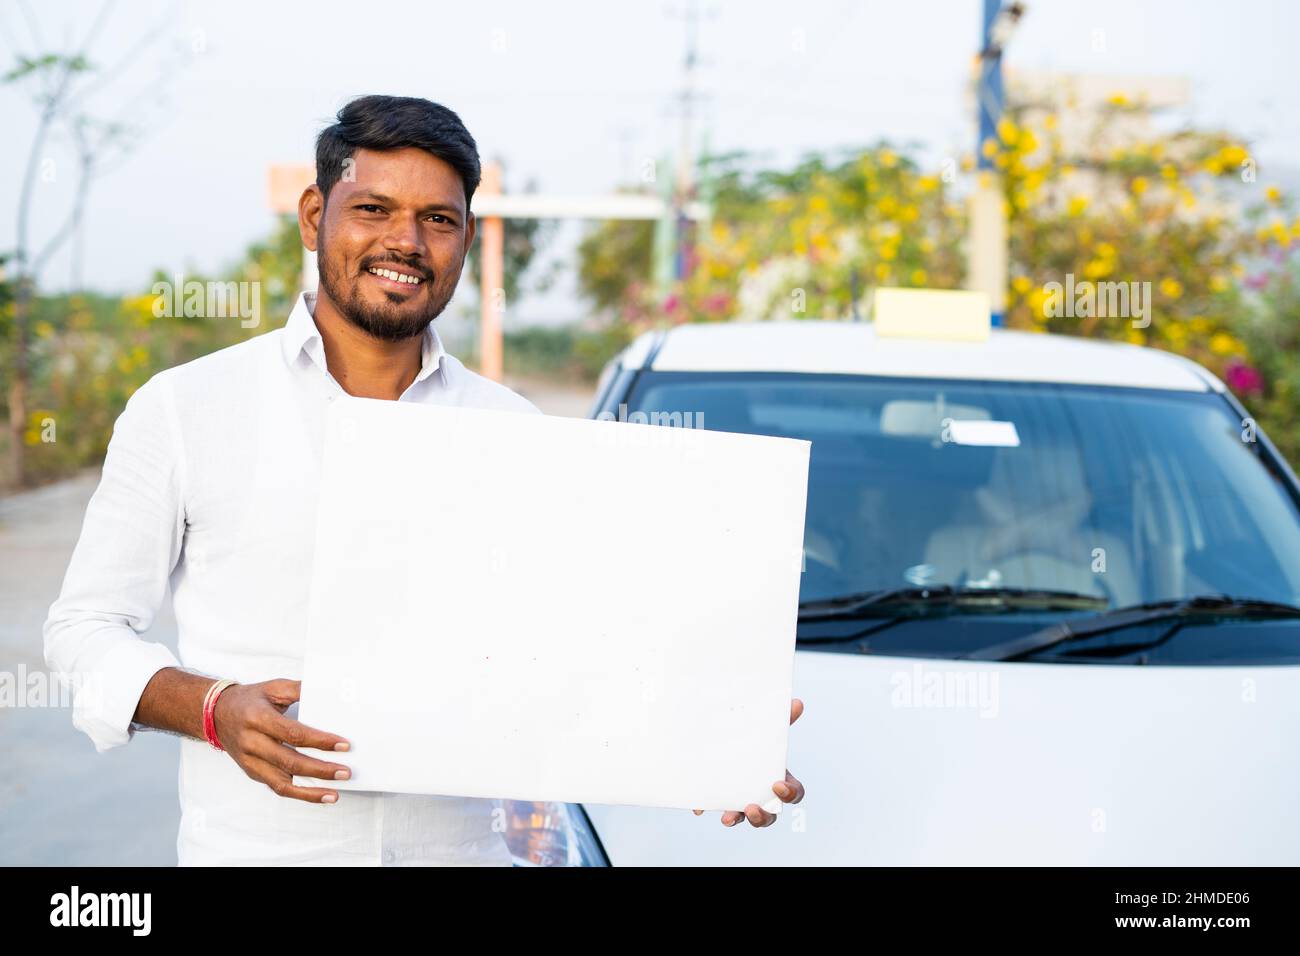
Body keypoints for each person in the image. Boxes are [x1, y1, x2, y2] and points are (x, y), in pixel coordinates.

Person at [43, 94, 805, 865]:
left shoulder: (514, 431)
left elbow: (575, 651)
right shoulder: (186, 409)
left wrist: (705, 743)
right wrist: (214, 709)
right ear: (315, 216)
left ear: (466, 239)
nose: (404, 242)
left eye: (437, 219)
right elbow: (83, 631)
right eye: (373, 208)